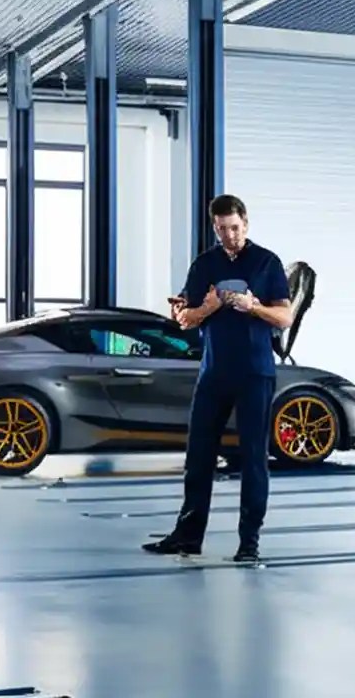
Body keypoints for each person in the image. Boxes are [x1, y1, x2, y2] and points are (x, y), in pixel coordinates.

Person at [143, 194, 292, 562]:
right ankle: (188, 536)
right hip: (214, 372)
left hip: (255, 373)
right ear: (214, 227)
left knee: (254, 458)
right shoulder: (204, 264)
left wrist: (253, 306)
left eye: (235, 228)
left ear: (246, 223)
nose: (230, 235)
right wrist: (204, 308)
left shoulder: (267, 262)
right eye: (223, 229)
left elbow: (285, 317)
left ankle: (249, 543)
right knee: (199, 455)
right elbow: (184, 319)